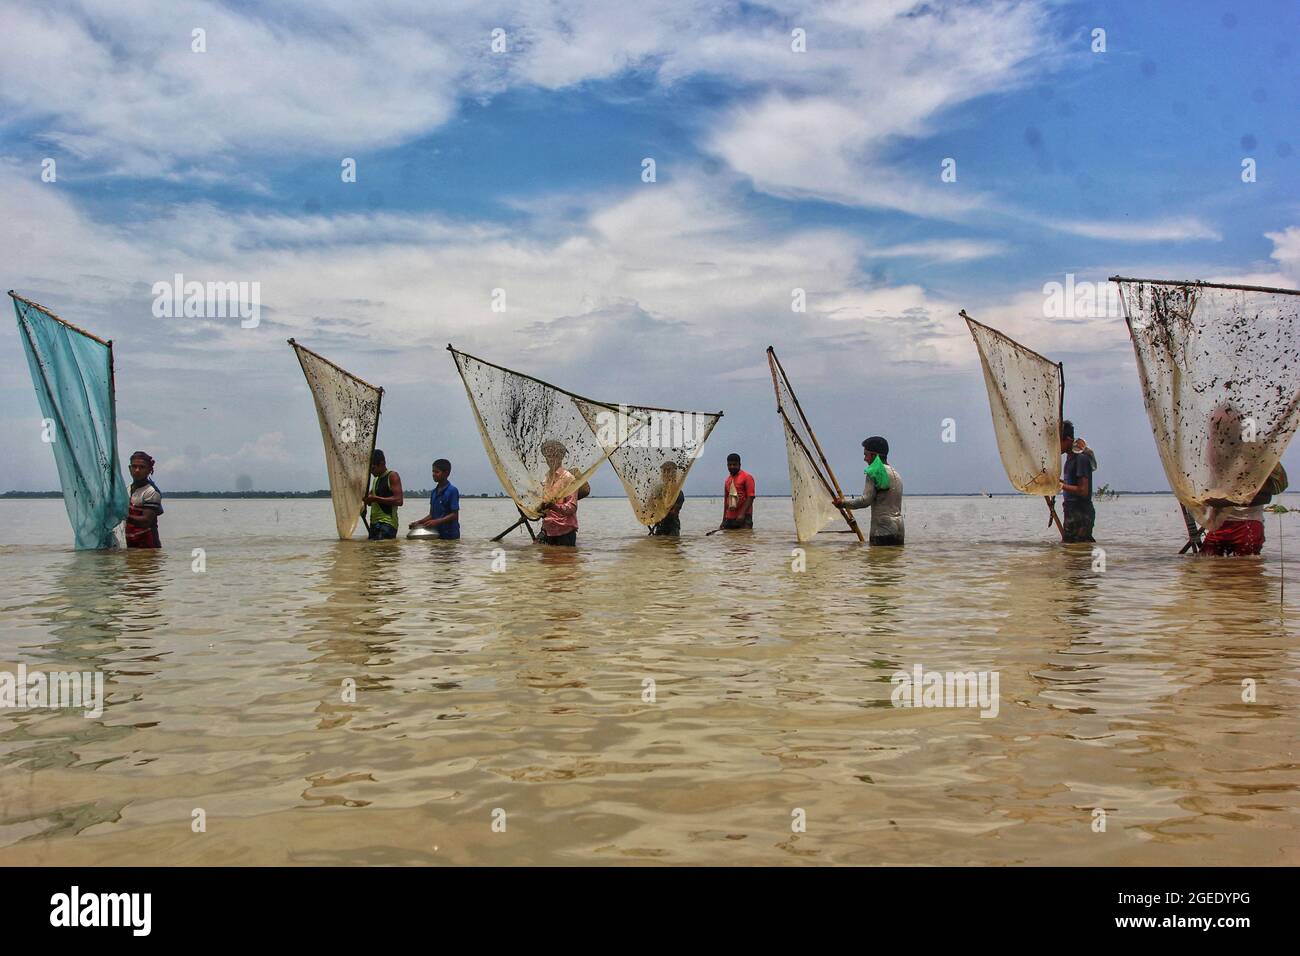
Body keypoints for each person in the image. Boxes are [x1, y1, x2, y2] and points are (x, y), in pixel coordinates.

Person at [1201, 462, 1288, 556]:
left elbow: (1266, 497)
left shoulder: (1261, 460)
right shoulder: (1218, 460)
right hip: (1218, 524)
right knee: (1207, 563)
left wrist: (1227, 501)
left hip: (1248, 523)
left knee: (1246, 567)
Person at [834, 436, 904, 546]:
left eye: (866, 455)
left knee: (876, 562)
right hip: (899, 529)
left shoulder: (874, 473)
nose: (864, 459)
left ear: (874, 455)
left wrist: (842, 503)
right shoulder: (896, 474)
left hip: (881, 530)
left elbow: (865, 501)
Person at [537, 439, 586, 546]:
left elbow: (572, 507)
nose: (550, 459)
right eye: (548, 455)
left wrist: (553, 506)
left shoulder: (568, 478)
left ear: (561, 457)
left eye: (554, 455)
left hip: (565, 531)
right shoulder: (546, 479)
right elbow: (544, 506)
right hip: (548, 530)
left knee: (565, 561)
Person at [1059, 420, 1095, 542]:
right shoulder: (1069, 460)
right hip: (1070, 512)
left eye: (1059, 442)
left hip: (1081, 515)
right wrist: (1057, 482)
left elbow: (1083, 490)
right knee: (1071, 553)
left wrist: (1060, 485)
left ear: (1068, 440)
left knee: (1079, 550)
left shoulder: (1081, 459)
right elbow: (1070, 485)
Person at [408, 458, 460, 539]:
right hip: (436, 532)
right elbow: (432, 515)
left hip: (450, 534)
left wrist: (437, 521)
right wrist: (419, 522)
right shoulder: (433, 492)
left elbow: (454, 515)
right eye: (433, 471)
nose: (433, 474)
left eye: (437, 472)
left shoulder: (452, 491)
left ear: (446, 473)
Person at [125, 451, 164, 548]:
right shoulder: (127, 489)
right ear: (130, 469)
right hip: (132, 547)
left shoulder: (151, 492)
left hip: (149, 549)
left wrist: (122, 515)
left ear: (149, 470)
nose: (137, 470)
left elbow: (145, 521)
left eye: (142, 467)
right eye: (134, 467)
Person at [364, 449, 403, 540]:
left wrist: (375, 499)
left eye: (373, 468)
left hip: (387, 524)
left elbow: (399, 500)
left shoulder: (392, 476)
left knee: (384, 551)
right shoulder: (376, 479)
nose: (371, 472)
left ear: (381, 464)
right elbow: (369, 500)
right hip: (374, 523)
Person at [719, 453, 755, 530]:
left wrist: (742, 514)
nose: (732, 467)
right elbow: (726, 501)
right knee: (729, 541)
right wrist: (723, 520)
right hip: (729, 517)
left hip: (744, 517)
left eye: (734, 464)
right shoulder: (727, 480)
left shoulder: (747, 477)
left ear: (739, 465)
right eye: (730, 465)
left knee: (744, 539)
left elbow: (751, 497)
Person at [650, 461, 685, 536]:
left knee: (671, 545)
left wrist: (659, 507)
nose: (666, 474)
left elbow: (674, 512)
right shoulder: (658, 489)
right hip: (659, 527)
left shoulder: (678, 493)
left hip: (672, 528)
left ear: (674, 474)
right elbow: (650, 505)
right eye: (664, 471)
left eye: (669, 471)